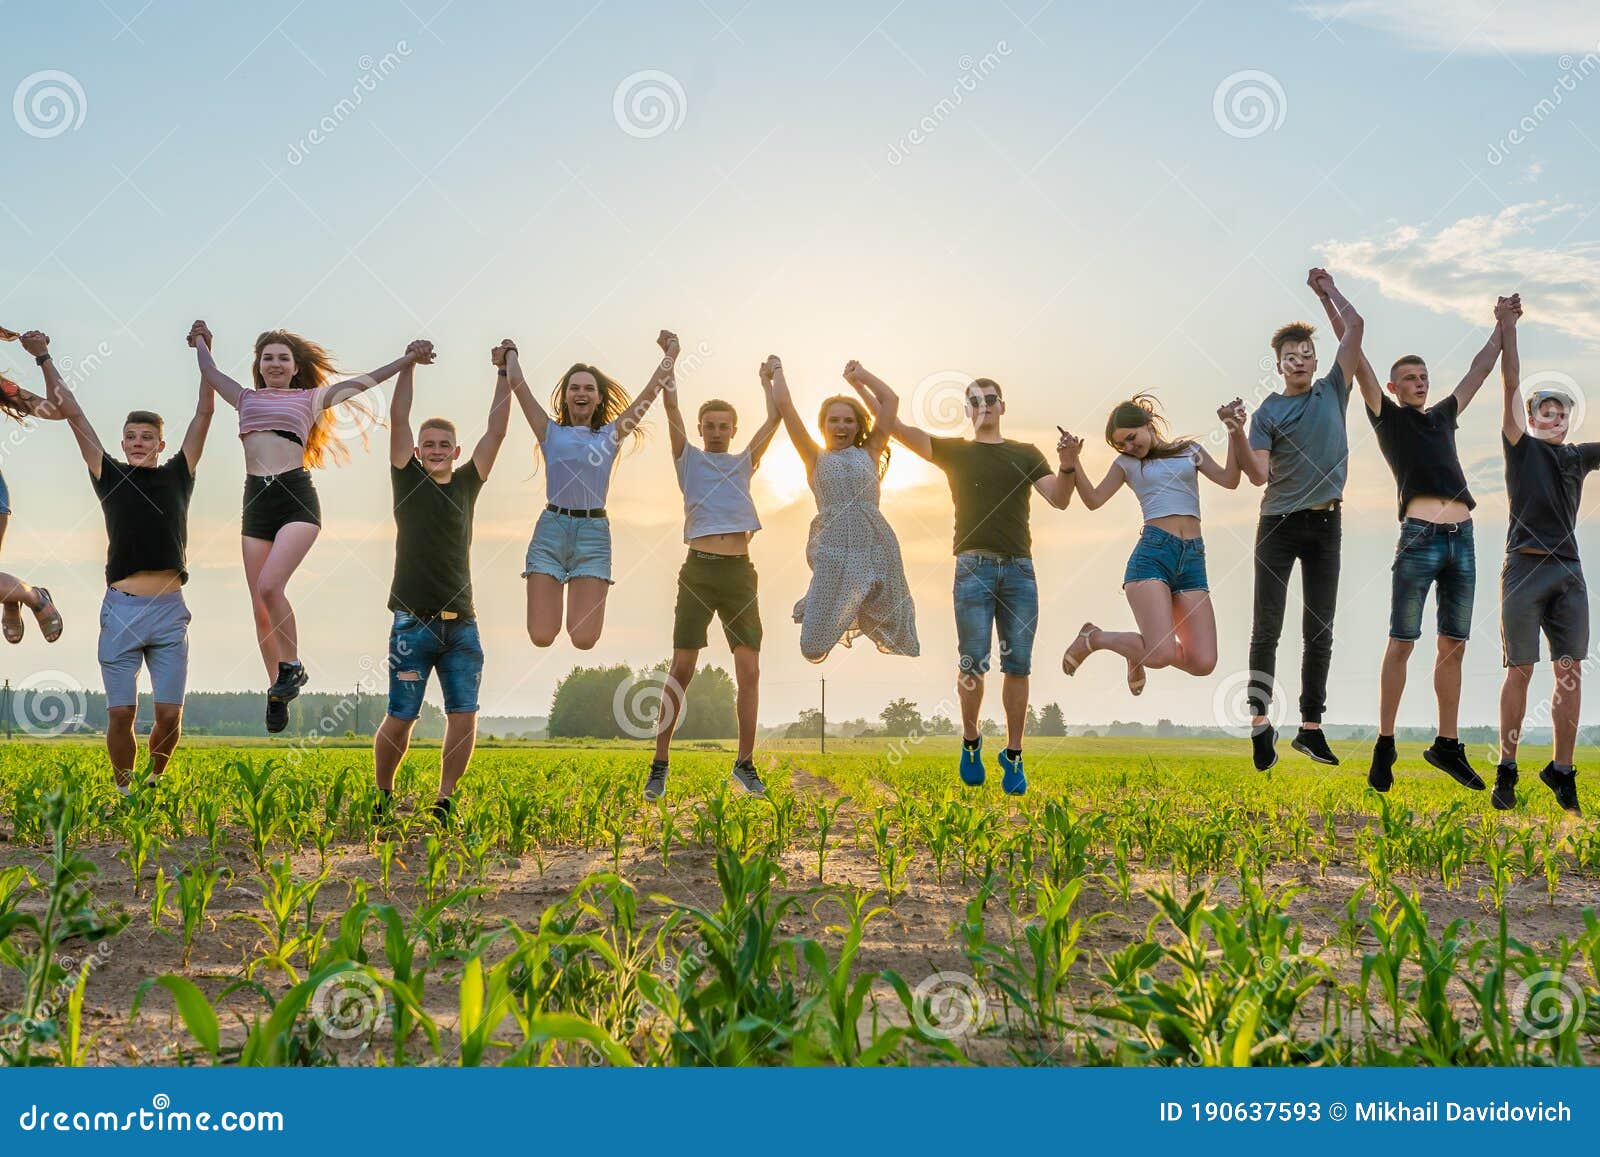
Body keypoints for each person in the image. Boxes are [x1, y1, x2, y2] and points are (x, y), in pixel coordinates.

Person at [188, 320, 432, 733]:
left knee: (270, 587)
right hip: (255, 502)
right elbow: (210, 374)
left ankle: (294, 665)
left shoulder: (309, 399)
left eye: (284, 357)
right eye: (268, 358)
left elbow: (364, 382)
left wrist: (408, 360)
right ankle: (278, 689)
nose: (276, 363)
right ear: (259, 366)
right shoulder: (244, 398)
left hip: (295, 498)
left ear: (296, 366)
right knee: (259, 608)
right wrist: (200, 342)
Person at [845, 364, 1075, 796]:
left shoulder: (1026, 452)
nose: (983, 405)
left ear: (1002, 406)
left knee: (1019, 665)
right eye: (975, 400)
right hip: (973, 568)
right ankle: (971, 742)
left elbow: (1060, 500)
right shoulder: (955, 452)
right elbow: (892, 424)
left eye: (990, 399)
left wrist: (1067, 465)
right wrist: (858, 382)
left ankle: (1014, 755)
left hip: (1020, 571)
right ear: (967, 410)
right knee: (973, 662)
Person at [1336, 271, 1514, 793]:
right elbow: (1357, 356)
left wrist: (1503, 323)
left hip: (1464, 540)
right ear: (1394, 387)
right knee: (1401, 642)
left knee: (1453, 645)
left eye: (1423, 376)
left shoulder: (1443, 416)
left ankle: (1447, 744)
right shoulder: (1387, 418)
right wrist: (1330, 295)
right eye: (1410, 378)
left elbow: (1482, 370)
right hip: (1418, 538)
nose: (1421, 382)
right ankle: (1385, 745)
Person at [25, 328, 214, 793]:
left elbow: (205, 412)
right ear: (123, 441)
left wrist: (205, 348)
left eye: (147, 436)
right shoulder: (108, 474)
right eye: (130, 436)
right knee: (121, 712)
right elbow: (73, 414)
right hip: (123, 611)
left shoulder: (178, 475)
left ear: (161, 444)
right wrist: (43, 356)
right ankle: (125, 790)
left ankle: (153, 785)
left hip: (171, 613)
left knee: (169, 714)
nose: (137, 442)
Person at [371, 344, 512, 827]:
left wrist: (503, 371)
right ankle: (383, 796)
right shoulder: (405, 480)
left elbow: (496, 430)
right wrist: (407, 364)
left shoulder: (468, 484)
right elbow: (399, 414)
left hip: (463, 628)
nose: (434, 449)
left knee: (464, 715)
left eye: (443, 444)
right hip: (412, 624)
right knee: (402, 716)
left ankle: (444, 800)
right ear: (417, 451)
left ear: (455, 451)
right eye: (427, 444)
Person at [1239, 271, 1365, 771]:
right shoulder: (1267, 412)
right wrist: (1234, 433)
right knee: (1266, 626)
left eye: (1305, 355)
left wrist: (1326, 292)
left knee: (1320, 628)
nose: (1299, 362)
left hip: (1326, 525)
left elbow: (1355, 326)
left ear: (1315, 360)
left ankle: (1310, 729)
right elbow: (1257, 475)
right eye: (1289, 357)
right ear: (1279, 366)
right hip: (1277, 525)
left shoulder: (1334, 389)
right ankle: (1259, 722)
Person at [644, 361, 782, 803]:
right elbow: (670, 405)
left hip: (740, 574)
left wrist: (768, 381)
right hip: (699, 572)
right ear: (701, 430)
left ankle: (745, 764)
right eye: (710, 426)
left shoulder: (745, 461)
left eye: (724, 426)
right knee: (682, 668)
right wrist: (670, 357)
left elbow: (776, 418)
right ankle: (659, 765)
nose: (717, 431)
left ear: (733, 429)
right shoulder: (689, 459)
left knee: (750, 671)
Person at [1059, 393, 1246, 692]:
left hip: (1193, 558)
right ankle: (1093, 638)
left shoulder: (1190, 451)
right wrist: (1073, 463)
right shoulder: (1126, 465)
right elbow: (1093, 500)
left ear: (1148, 423)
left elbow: (1230, 479)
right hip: (1153, 556)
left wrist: (1234, 431)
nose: (1130, 447)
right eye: (1122, 445)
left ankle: (1135, 652)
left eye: (1132, 438)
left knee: (1203, 662)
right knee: (1160, 655)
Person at [506, 331, 679, 650]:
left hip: (593, 536)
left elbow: (650, 393)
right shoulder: (549, 431)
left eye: (588, 388)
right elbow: (518, 386)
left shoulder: (611, 435)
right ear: (566, 396)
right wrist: (510, 352)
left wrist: (672, 353)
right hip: (551, 532)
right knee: (542, 636)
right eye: (574, 388)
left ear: (599, 398)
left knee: (584, 639)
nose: (581, 393)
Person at [1495, 298, 1586, 816]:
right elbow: (1510, 384)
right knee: (1521, 671)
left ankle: (1562, 771)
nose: (1555, 418)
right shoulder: (1520, 448)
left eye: (1561, 412)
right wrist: (1507, 328)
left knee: (1570, 672)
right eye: (1545, 412)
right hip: (1524, 568)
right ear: (1529, 420)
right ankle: (1507, 768)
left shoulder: (1577, 456)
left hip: (1569, 574)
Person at [765, 355, 919, 662]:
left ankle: (864, 606)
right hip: (833, 548)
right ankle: (834, 606)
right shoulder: (813, 457)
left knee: (894, 620)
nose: (841, 425)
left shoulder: (871, 452)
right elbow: (785, 406)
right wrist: (776, 370)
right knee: (812, 645)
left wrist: (859, 377)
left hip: (875, 545)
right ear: (822, 425)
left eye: (848, 420)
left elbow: (890, 400)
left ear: (858, 425)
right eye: (834, 420)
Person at [0, 328, 65, 644]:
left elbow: (57, 409)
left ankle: (32, 597)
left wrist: (42, 356)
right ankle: (22, 594)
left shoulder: (2, 387)